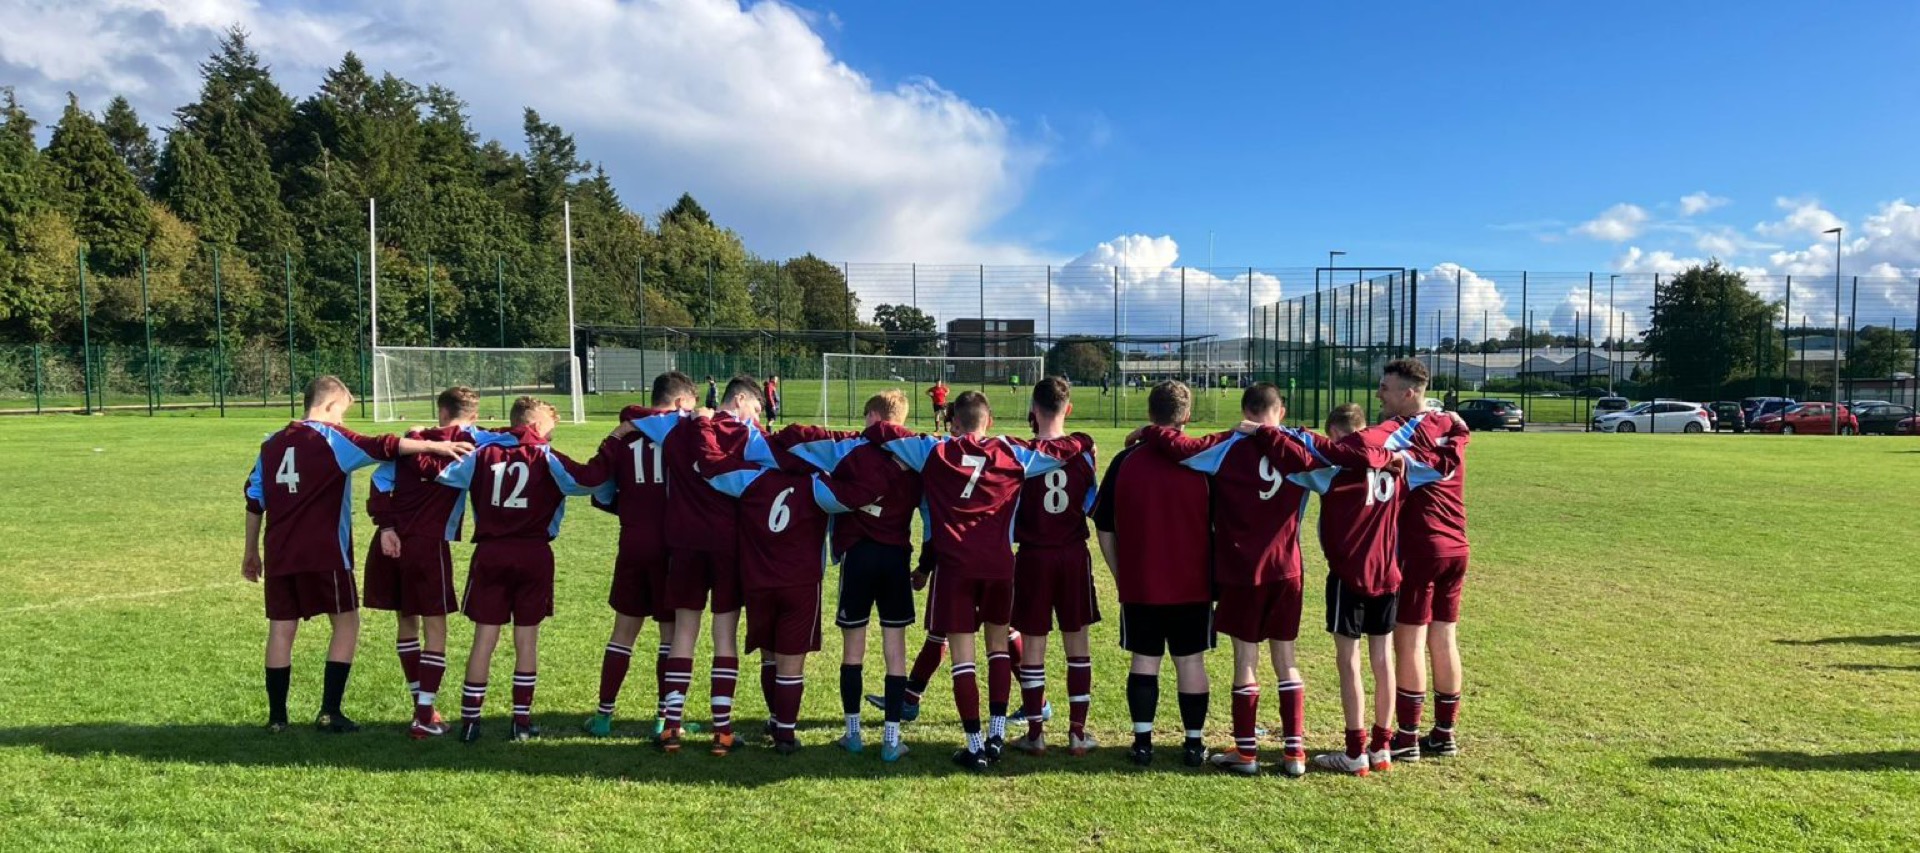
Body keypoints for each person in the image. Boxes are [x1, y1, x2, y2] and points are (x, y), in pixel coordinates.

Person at [242, 376, 471, 734]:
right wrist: (436, 447)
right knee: (346, 621)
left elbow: (254, 498)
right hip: (325, 551)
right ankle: (330, 711)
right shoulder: (331, 437)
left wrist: (250, 551)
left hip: (279, 551)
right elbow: (384, 446)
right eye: (343, 412)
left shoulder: (270, 443)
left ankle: (277, 719)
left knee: (281, 629)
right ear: (330, 405)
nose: (344, 421)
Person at [882, 391, 1089, 772]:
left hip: (955, 567)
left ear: (953, 421)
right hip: (998, 566)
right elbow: (1062, 451)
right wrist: (1085, 440)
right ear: (989, 421)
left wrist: (875, 425)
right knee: (997, 649)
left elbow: (886, 434)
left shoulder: (934, 450)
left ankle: (975, 744)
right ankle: (996, 737)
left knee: (963, 659)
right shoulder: (1012, 452)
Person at [1132, 383, 1323, 777]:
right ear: (1281, 411)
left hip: (1241, 570)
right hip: (1287, 568)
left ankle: (1248, 753)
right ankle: (1294, 754)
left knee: (1246, 658)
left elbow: (1180, 448)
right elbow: (1330, 471)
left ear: (1244, 409)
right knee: (1286, 660)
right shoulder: (1298, 447)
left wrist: (1149, 431)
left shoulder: (1228, 445)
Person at [436, 396, 624, 743]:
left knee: (484, 640)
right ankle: (521, 722)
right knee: (526, 640)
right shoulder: (545, 456)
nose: (549, 438)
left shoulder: (482, 453)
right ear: (536, 427)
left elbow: (443, 473)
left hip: (490, 552)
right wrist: (613, 441)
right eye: (549, 431)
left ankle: (471, 722)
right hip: (533, 554)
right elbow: (587, 478)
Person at [696, 417, 874, 754]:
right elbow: (859, 495)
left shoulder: (749, 478)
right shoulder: (817, 484)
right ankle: (786, 734)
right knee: (792, 662)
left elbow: (710, 469)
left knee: (769, 655)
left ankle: (776, 718)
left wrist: (704, 427)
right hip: (801, 583)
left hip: (759, 581)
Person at [1291, 390, 1434, 777]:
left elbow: (1292, 462)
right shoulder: (1395, 465)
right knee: (1382, 658)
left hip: (1349, 575)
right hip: (1388, 575)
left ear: (1339, 434)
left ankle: (1355, 751)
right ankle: (1382, 747)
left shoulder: (1335, 469)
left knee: (1349, 661)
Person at [777, 391, 921, 761]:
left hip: (858, 557)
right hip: (895, 559)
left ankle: (853, 733)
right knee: (896, 650)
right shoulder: (916, 455)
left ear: (873, 415)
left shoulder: (850, 448)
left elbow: (796, 438)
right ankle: (891, 740)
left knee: (853, 649)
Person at [363, 385, 505, 739]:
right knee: (436, 629)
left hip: (390, 540)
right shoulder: (476, 440)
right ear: (473, 415)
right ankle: (424, 715)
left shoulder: (412, 440)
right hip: (427, 545)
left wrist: (386, 526)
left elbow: (379, 481)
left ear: (440, 410)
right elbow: (516, 437)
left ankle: (421, 706)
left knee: (406, 621)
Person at [1091, 380, 1215, 768]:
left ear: (1149, 414)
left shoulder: (1126, 461)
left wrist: (1119, 573)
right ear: (1187, 417)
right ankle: (1193, 744)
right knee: (1191, 661)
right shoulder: (1203, 461)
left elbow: (1104, 525)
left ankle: (1142, 743)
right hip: (1193, 583)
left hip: (1141, 581)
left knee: (1144, 660)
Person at [647, 376, 765, 756]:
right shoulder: (743, 434)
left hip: (683, 540)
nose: (757, 416)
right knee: (724, 634)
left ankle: (672, 725)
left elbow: (636, 415)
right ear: (741, 399)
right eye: (757, 409)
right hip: (726, 544)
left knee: (684, 632)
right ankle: (722, 729)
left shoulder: (677, 429)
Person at [583, 371, 698, 740]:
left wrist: (628, 508)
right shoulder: (684, 432)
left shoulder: (627, 432)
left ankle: (603, 716)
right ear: (681, 402)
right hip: (672, 545)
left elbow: (600, 490)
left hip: (633, 542)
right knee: (670, 636)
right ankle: (665, 718)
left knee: (623, 632)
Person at [1008, 378, 1101, 758]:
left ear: (1033, 410)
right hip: (1073, 555)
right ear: (1069, 408)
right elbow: (1093, 504)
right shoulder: (1085, 451)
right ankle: (1078, 734)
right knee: (1076, 643)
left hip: (1033, 556)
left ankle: (1035, 733)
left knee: (1034, 646)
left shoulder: (1020, 455)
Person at [1388, 361, 1473, 762]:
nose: (1379, 395)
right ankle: (1444, 732)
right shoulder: (1450, 428)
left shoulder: (1406, 434)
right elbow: (1455, 432)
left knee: (1410, 641)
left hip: (1422, 548)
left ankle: (1406, 737)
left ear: (1409, 393)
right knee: (1444, 638)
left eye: (1386, 388)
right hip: (1457, 547)